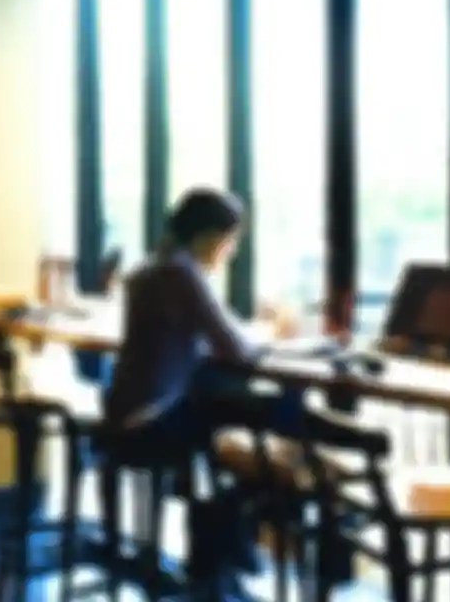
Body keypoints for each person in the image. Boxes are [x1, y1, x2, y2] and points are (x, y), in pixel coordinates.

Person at [102, 187, 301, 584]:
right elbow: (237, 349)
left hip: (125, 414)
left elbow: (206, 342)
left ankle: (221, 545)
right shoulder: (182, 274)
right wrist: (278, 336)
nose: (231, 251)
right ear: (213, 237)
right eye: (231, 241)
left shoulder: (150, 269)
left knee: (233, 422)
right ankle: (247, 531)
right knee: (280, 415)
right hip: (153, 419)